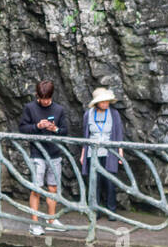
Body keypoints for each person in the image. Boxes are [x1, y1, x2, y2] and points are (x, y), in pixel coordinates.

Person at [18, 80, 69, 233]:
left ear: (51, 96)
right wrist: (37, 126)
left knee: (53, 188)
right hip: (37, 153)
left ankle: (51, 219)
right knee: (36, 188)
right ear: (37, 95)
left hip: (54, 153)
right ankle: (34, 223)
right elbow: (22, 128)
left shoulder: (59, 109)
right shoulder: (30, 108)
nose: (45, 101)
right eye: (42, 98)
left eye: (47, 98)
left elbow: (65, 131)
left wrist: (55, 129)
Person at [79, 87, 125, 215]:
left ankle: (112, 211)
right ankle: (95, 211)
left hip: (109, 152)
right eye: (102, 101)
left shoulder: (114, 114)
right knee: (95, 182)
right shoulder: (88, 114)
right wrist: (83, 154)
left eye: (107, 101)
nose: (105, 104)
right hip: (92, 152)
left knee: (110, 182)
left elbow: (119, 133)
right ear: (97, 102)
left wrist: (120, 152)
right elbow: (85, 135)